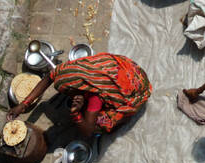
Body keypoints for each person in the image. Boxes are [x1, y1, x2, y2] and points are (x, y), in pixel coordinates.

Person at [8, 52, 152, 138]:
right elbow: (48, 79)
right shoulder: (72, 68)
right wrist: (23, 104)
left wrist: (77, 114)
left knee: (101, 122)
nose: (68, 94)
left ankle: (123, 120)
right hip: (127, 70)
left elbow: (88, 131)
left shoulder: (96, 98)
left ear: (84, 89)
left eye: (70, 92)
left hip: (135, 91)